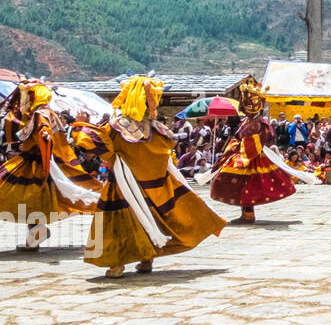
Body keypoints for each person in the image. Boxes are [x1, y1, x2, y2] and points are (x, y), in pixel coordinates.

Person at [82, 75, 226, 278]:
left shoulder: (116, 126)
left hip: (124, 187)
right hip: (152, 188)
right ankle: (146, 259)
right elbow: (167, 151)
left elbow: (91, 144)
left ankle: (117, 264)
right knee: (150, 219)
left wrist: (82, 126)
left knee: (119, 223)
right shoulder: (159, 130)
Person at [0, 79, 103, 250]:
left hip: (34, 164)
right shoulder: (48, 113)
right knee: (35, 201)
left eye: (27, 96)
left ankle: (36, 234)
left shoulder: (41, 115)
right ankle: (34, 237)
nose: (24, 100)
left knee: (18, 195)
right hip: (37, 162)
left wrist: (39, 138)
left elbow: (41, 133)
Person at [206, 77, 318, 222]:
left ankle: (248, 214)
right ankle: (246, 213)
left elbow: (260, 139)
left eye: (249, 103)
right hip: (242, 154)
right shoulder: (246, 120)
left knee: (248, 185)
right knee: (238, 183)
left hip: (252, 157)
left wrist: (240, 146)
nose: (246, 106)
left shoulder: (261, 123)